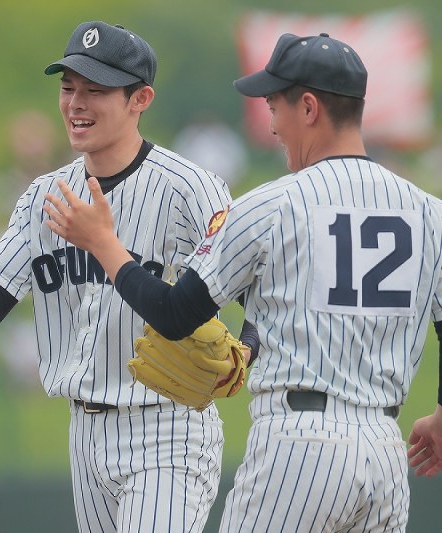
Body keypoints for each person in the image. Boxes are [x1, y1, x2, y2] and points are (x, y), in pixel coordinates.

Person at [44, 31, 442, 532]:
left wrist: (103, 243)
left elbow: (173, 315)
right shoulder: (429, 213)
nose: (271, 124)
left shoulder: (272, 205)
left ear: (310, 108)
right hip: (385, 451)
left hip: (298, 450)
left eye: (274, 105)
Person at [0, 20, 258, 533]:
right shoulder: (41, 196)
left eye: (95, 90)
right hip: (84, 433)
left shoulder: (189, 189)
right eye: (68, 87)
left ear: (141, 99)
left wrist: (245, 354)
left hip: (167, 430)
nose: (76, 103)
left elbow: (261, 293)